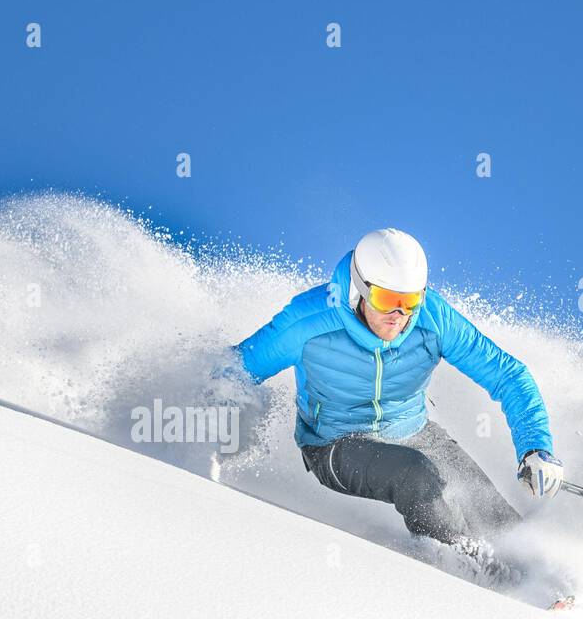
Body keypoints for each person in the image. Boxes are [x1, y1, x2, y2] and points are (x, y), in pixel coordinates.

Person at [235, 228, 564, 550]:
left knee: (485, 504)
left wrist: (536, 448)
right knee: (414, 474)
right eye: (386, 300)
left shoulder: (433, 318)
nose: (399, 315)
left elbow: (509, 375)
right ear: (359, 289)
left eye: (408, 301)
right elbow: (238, 368)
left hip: (415, 432)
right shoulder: (309, 320)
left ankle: (534, 585)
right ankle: (472, 570)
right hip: (335, 443)